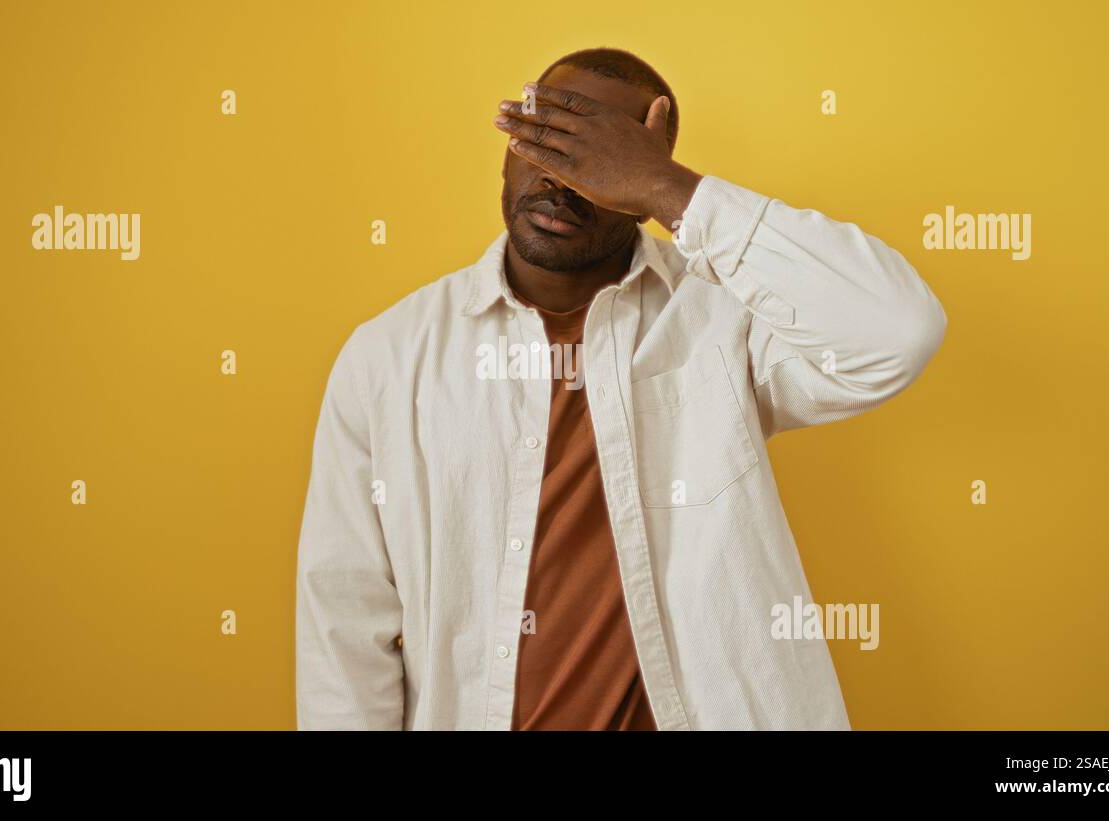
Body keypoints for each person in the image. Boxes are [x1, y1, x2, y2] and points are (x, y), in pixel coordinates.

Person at [296, 47, 946, 730]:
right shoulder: (389, 356)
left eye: (597, 158)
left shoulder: (722, 319)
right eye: (546, 139)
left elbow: (899, 332)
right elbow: (343, 618)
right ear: (510, 144)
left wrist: (675, 191)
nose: (560, 180)